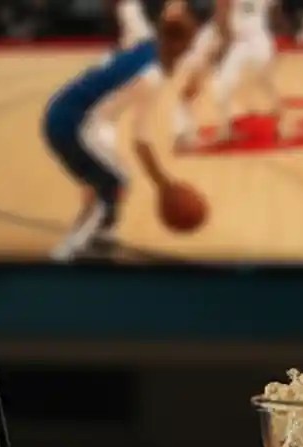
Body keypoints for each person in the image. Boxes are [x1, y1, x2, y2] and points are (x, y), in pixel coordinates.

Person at [42, 1, 200, 261]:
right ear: (174, 44)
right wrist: (164, 185)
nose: (189, 52)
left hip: (63, 113)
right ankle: (68, 252)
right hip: (73, 126)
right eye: (187, 46)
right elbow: (141, 142)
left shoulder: (145, 39)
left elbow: (127, 7)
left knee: (107, 179)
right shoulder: (151, 76)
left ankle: (103, 236)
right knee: (115, 182)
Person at [174, 0, 292, 149]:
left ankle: (226, 128)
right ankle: (184, 130)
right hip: (246, 41)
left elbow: (223, 18)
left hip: (245, 42)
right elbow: (277, 16)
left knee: (226, 86)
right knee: (263, 84)